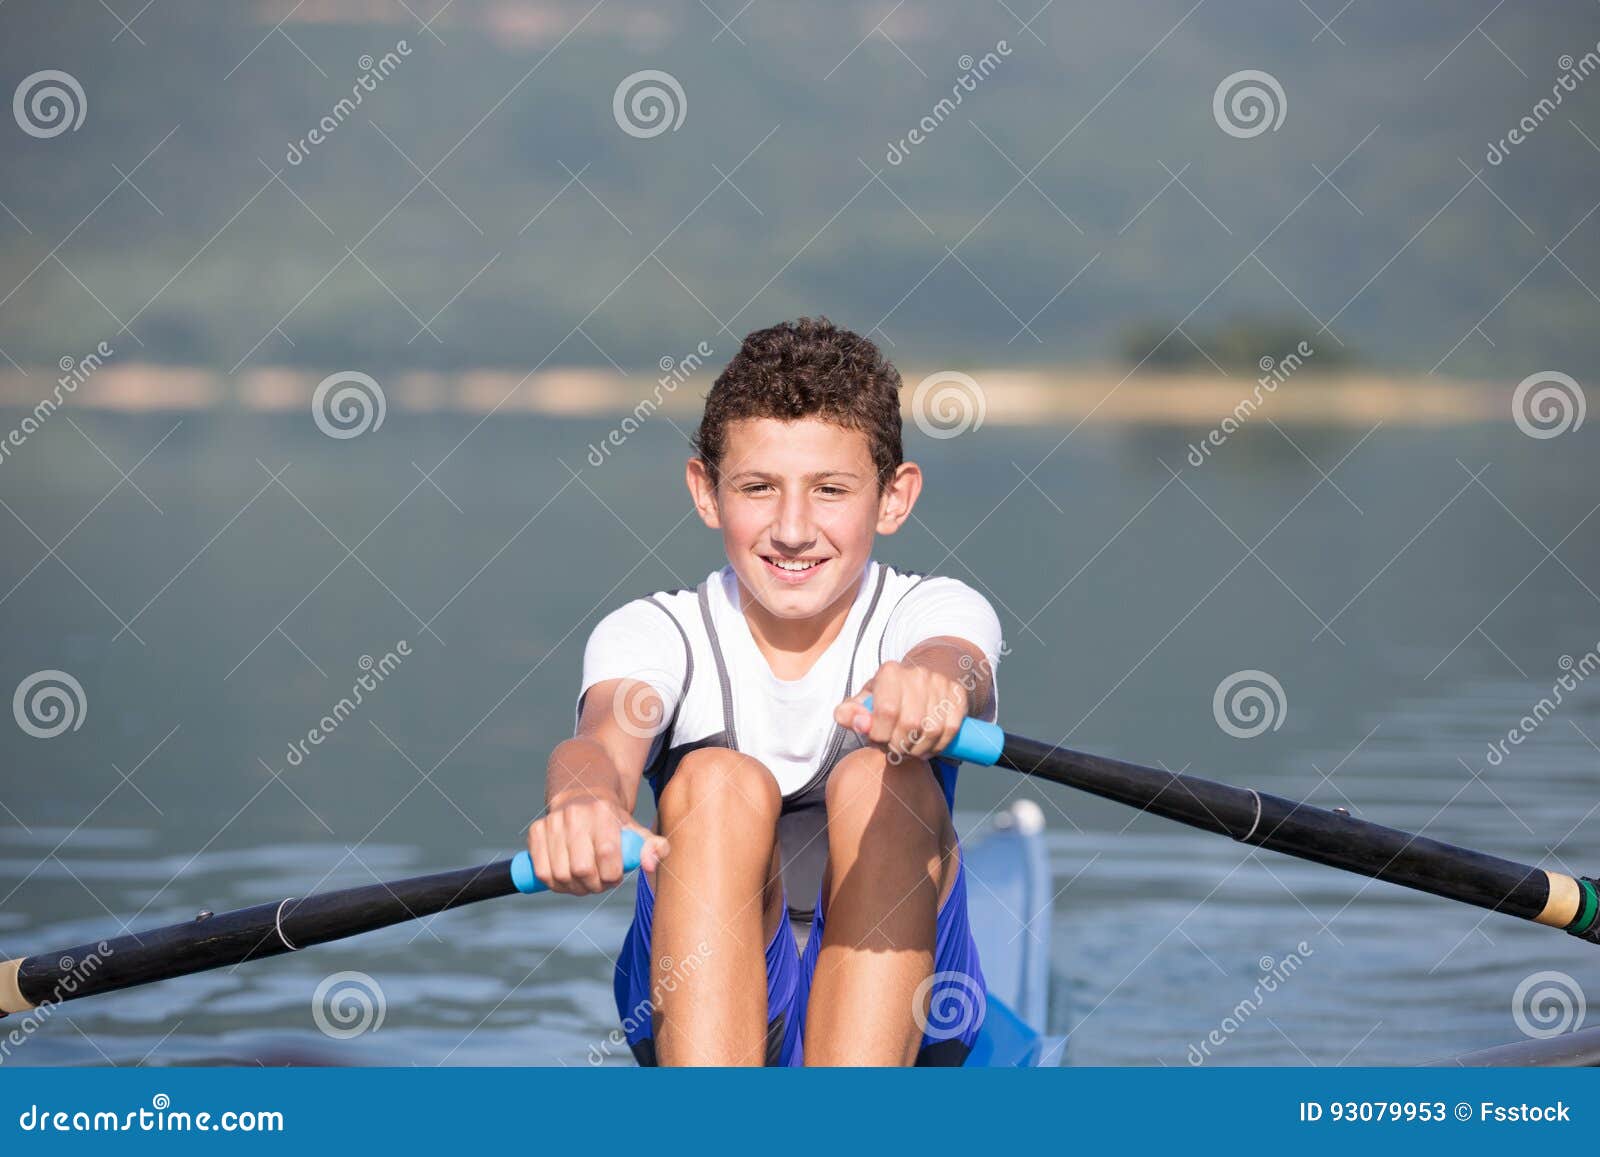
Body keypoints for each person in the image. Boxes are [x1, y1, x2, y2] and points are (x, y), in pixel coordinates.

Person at [524, 316, 1002, 1066]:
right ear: (707, 492)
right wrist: (580, 803)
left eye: (830, 489)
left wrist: (935, 686)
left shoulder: (932, 613)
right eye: (757, 487)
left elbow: (957, 663)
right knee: (716, 782)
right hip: (702, 1005)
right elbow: (602, 747)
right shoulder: (654, 634)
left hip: (914, 1014)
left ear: (893, 498)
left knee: (881, 774)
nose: (791, 528)